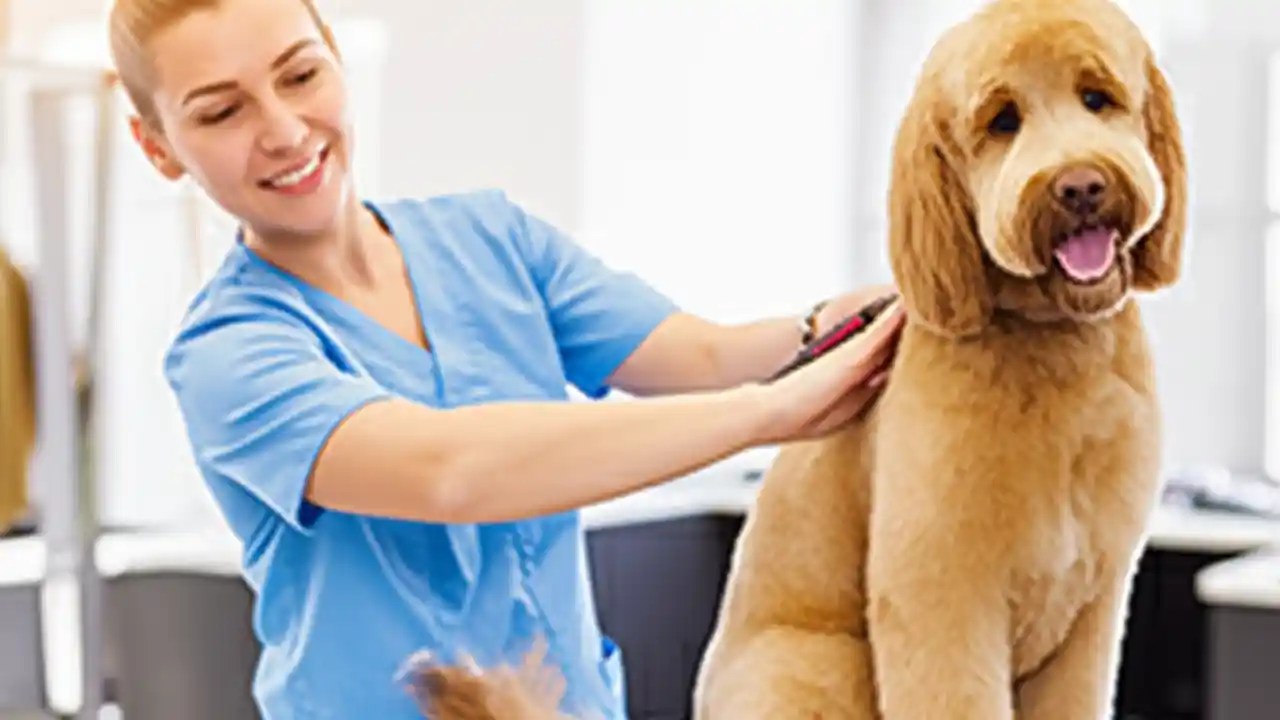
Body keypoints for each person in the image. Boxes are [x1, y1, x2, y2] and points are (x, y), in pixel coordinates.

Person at [107, 0, 905, 717]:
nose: (282, 129)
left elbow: (703, 353)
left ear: (336, 59)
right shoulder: (228, 353)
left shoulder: (492, 240)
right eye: (221, 112)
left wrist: (822, 327)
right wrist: (768, 415)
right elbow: (450, 474)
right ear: (159, 147)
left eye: (301, 74)